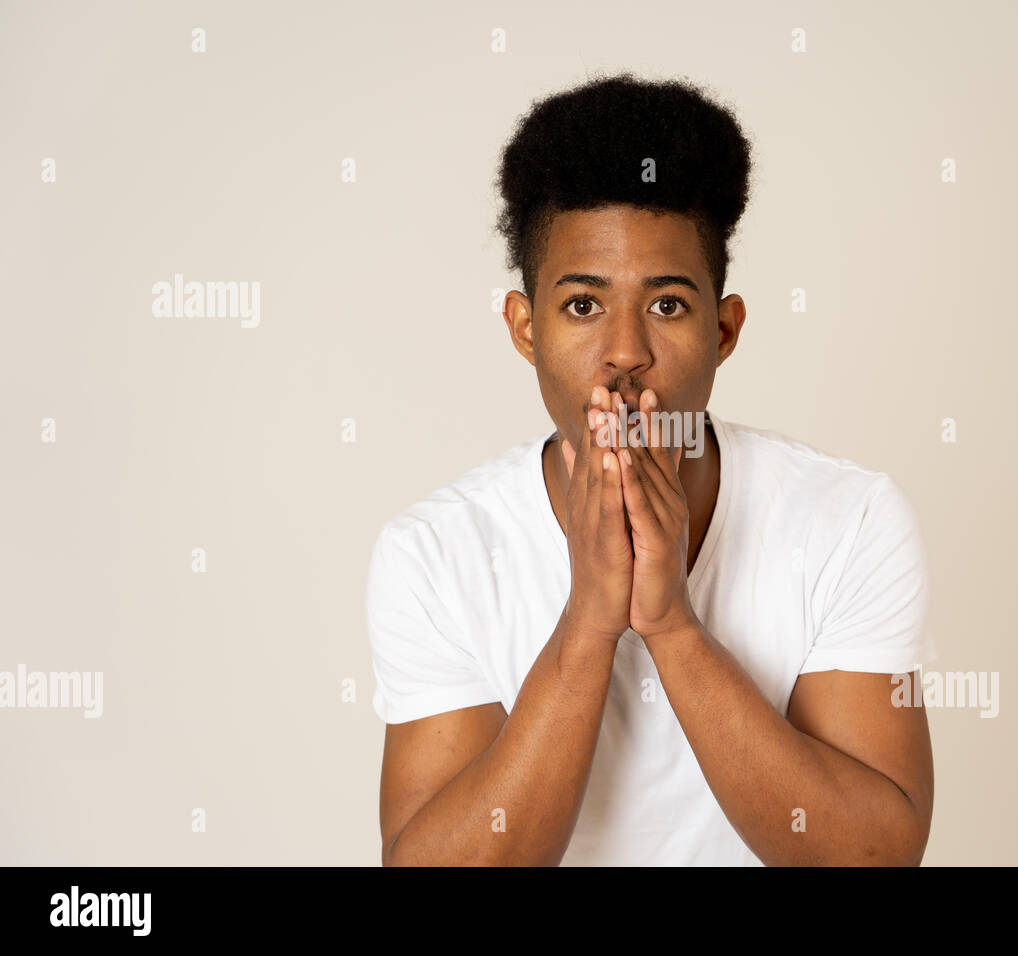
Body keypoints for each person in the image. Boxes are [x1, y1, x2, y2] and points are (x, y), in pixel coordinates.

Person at [367, 71, 936, 866]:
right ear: (524, 328)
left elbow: (871, 857)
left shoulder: (849, 518)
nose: (627, 353)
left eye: (667, 303)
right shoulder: (433, 553)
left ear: (725, 329)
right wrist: (591, 619)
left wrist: (670, 623)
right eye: (583, 306)